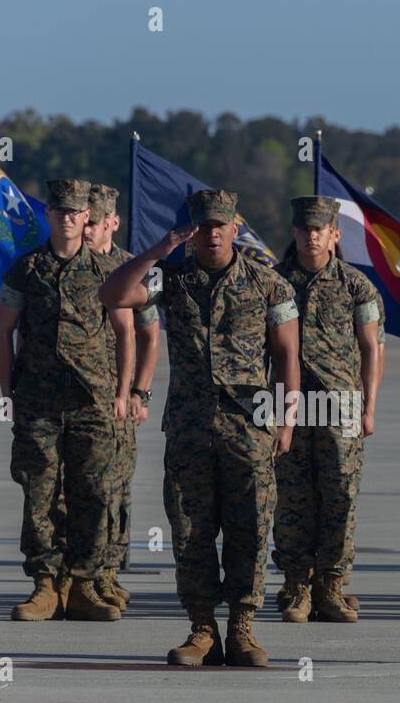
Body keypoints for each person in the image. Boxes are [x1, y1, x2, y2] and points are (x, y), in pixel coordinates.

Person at [99, 190, 301, 667]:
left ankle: (243, 630)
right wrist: (157, 250)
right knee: (191, 531)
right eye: (204, 227)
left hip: (249, 428)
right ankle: (202, 629)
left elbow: (288, 356)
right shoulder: (172, 278)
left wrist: (287, 419)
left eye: (220, 226)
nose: (212, 235)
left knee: (250, 527)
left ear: (234, 229)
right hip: (189, 428)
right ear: (192, 231)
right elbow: (111, 294)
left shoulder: (268, 284)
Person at [0, 179, 134, 622]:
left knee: (92, 492)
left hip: (92, 401)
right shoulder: (26, 269)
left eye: (76, 212)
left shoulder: (108, 272)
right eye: (60, 211)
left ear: (86, 218)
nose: (69, 218)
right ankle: (46, 585)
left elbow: (128, 332)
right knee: (40, 494)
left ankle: (85, 584)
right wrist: (6, 391)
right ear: (49, 216)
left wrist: (124, 391)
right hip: (37, 401)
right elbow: (3, 331)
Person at [272, 196, 381, 623]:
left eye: (320, 229)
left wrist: (370, 406)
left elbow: (372, 349)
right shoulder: (274, 282)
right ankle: (297, 584)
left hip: (341, 405)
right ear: (295, 232)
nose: (312, 235)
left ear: (335, 234)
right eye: (304, 228)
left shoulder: (357, 286)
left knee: (341, 495)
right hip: (288, 407)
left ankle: (331, 585)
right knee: (291, 496)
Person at [76, 183, 162, 616]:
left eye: (93, 222)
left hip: (119, 398)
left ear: (112, 222)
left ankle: (107, 572)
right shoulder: (73, 264)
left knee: (115, 487)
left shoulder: (129, 269)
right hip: (78, 397)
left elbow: (149, 335)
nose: (86, 229)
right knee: (75, 488)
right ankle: (75, 577)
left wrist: (138, 392)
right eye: (82, 220)